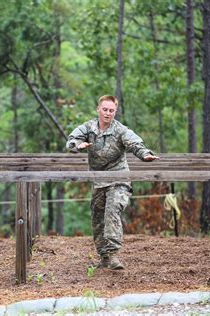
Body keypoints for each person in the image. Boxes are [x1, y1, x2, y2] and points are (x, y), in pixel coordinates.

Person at [66, 95, 159, 270]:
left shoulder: (120, 130)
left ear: (115, 112)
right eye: (105, 110)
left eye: (111, 111)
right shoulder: (89, 127)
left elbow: (134, 143)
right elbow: (71, 139)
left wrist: (144, 154)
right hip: (99, 180)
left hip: (119, 178)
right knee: (97, 218)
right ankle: (104, 257)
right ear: (98, 109)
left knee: (112, 211)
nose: (108, 113)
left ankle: (114, 255)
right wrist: (77, 146)